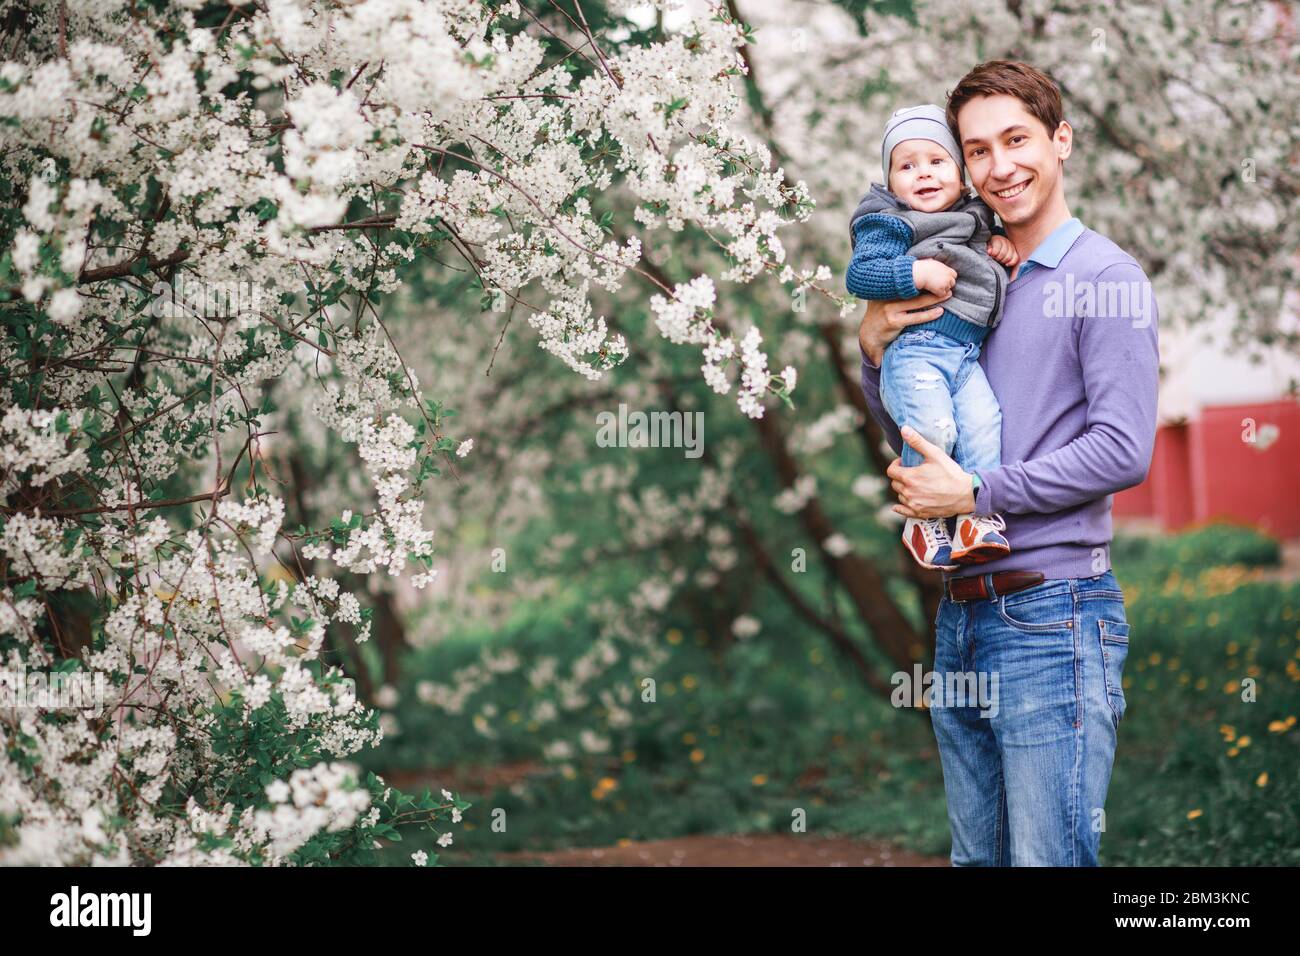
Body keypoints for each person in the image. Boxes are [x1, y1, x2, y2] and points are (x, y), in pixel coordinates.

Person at [857, 60, 1160, 866]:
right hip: (962, 612)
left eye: (1018, 140)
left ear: (1060, 141)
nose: (1000, 167)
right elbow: (922, 435)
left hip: (1054, 615)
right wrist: (870, 352)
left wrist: (980, 488)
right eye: (978, 150)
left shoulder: (1104, 277)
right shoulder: (973, 276)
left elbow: (1125, 449)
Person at [845, 103, 1017, 570]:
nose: (923, 174)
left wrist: (995, 244)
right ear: (891, 181)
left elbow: (980, 247)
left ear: (962, 176)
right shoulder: (890, 220)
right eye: (906, 165)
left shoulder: (972, 215)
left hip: (963, 357)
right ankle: (923, 522)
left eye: (937, 161)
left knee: (984, 424)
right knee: (935, 428)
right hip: (916, 353)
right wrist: (915, 271)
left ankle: (974, 521)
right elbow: (862, 273)